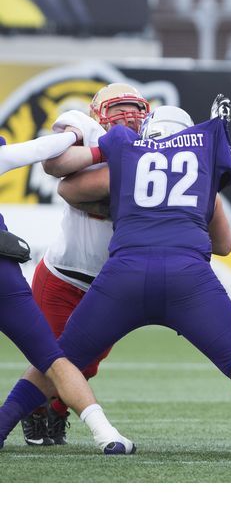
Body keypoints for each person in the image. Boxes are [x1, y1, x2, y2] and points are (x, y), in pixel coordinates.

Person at [10, 99, 231, 457]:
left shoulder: (125, 149)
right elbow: (224, 244)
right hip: (189, 277)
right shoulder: (202, 158)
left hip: (126, 274)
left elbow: (67, 187)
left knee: (59, 359)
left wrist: (118, 204)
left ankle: (2, 423)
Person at [19, 84, 149, 446]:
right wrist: (103, 149)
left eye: (134, 108)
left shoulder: (154, 143)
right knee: (50, 358)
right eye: (119, 108)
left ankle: (58, 409)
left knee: (86, 363)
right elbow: (53, 164)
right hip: (64, 273)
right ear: (98, 114)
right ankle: (35, 410)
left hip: (109, 282)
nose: (128, 116)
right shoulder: (85, 127)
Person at [0, 128, 134, 454]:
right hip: (35, 274)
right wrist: (96, 145)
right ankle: (106, 435)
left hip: (102, 277)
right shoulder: (85, 125)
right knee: (54, 359)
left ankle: (69, 418)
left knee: (63, 360)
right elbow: (43, 156)